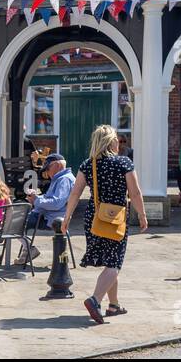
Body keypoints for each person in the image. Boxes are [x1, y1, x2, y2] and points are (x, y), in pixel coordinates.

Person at [62, 124, 148, 323]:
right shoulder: (124, 162)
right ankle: (95, 300)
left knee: (111, 261)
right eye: (117, 139)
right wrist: (142, 215)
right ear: (112, 141)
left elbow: (75, 193)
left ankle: (114, 305)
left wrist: (66, 218)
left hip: (94, 218)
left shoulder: (88, 164)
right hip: (115, 217)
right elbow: (134, 193)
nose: (119, 142)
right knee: (114, 262)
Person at [25, 152, 75, 232]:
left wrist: (36, 200)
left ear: (58, 165)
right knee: (17, 220)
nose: (47, 173)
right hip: (48, 216)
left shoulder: (64, 179)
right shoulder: (60, 178)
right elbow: (50, 198)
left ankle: (25, 244)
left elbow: (56, 203)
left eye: (48, 169)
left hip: (52, 219)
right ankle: (25, 244)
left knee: (18, 222)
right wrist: (35, 197)